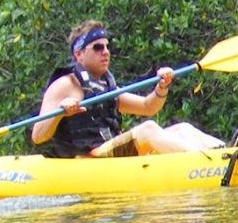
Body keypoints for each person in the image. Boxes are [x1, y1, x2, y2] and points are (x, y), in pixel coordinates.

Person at [32, 21, 224, 157]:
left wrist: (162, 87)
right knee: (147, 128)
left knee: (183, 128)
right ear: (79, 54)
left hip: (109, 151)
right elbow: (38, 136)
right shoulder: (65, 85)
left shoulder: (104, 86)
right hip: (91, 158)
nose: (105, 52)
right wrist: (60, 112)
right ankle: (204, 162)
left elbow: (148, 107)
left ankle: (224, 151)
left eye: (107, 46)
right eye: (97, 47)